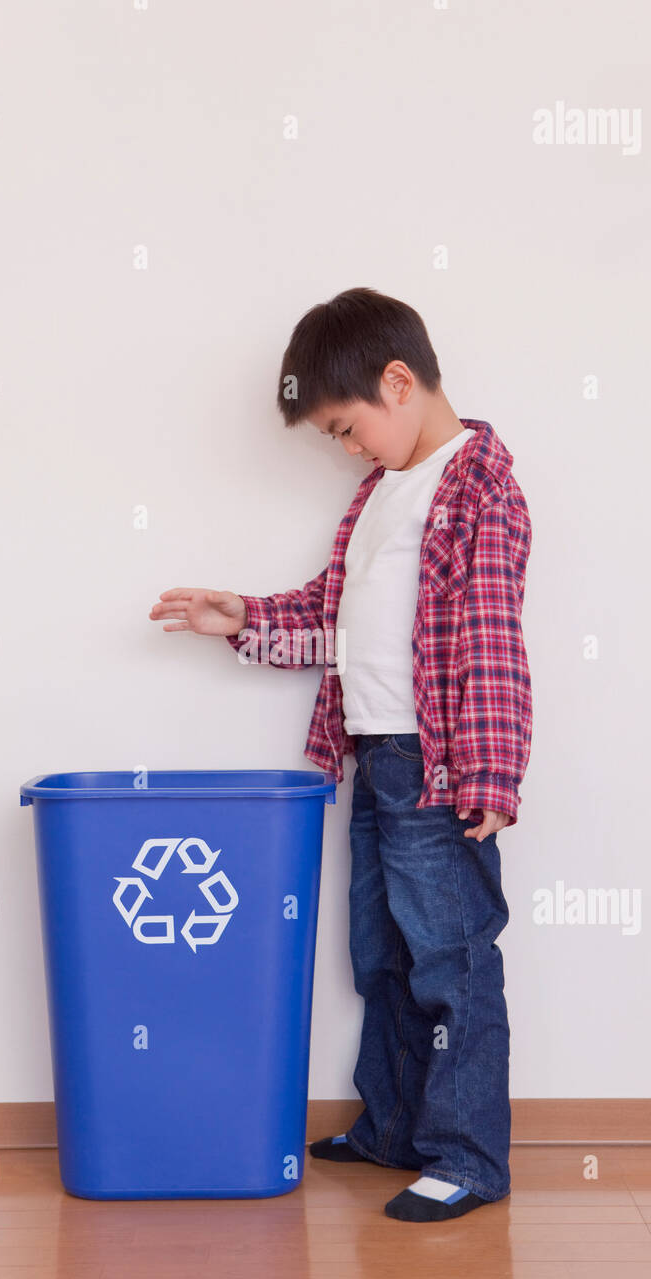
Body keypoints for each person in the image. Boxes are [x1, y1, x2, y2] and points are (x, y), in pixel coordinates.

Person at [149, 287, 533, 1223]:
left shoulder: (477, 484)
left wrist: (490, 772)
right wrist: (242, 619)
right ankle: (395, 1127)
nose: (349, 448)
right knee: (382, 957)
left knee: (452, 959)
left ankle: (469, 1156)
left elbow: (489, 637)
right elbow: (333, 619)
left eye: (347, 426)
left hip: (439, 765)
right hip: (373, 757)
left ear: (397, 383)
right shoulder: (379, 494)